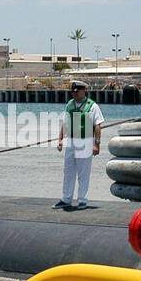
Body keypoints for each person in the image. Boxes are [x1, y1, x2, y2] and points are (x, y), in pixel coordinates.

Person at [55, 80, 104, 210]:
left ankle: (82, 199)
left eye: (76, 91)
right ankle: (66, 198)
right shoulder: (70, 104)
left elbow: (98, 126)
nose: (74, 94)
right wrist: (60, 140)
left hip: (85, 141)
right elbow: (65, 124)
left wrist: (96, 144)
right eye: (72, 92)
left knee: (83, 173)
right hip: (71, 141)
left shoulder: (92, 106)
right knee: (68, 171)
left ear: (84, 91)